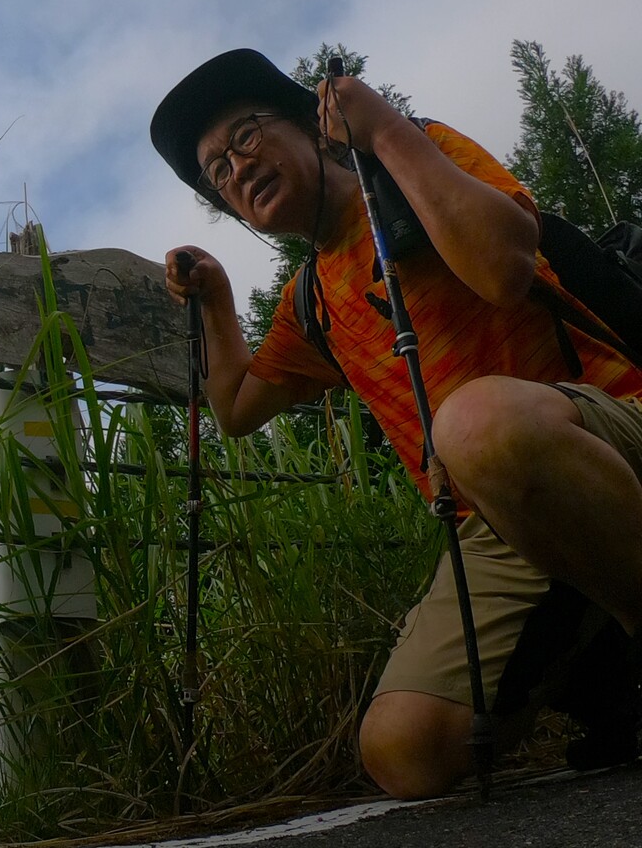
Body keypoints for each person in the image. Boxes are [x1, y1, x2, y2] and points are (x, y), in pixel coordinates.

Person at [149, 48, 642, 800]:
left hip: (610, 431)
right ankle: (604, 658)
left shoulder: (422, 155)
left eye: (245, 135)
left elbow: (505, 266)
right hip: (496, 521)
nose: (237, 169)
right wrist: (217, 299)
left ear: (311, 122)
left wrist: (383, 130)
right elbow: (236, 409)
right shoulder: (311, 303)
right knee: (403, 750)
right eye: (217, 171)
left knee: (475, 426)